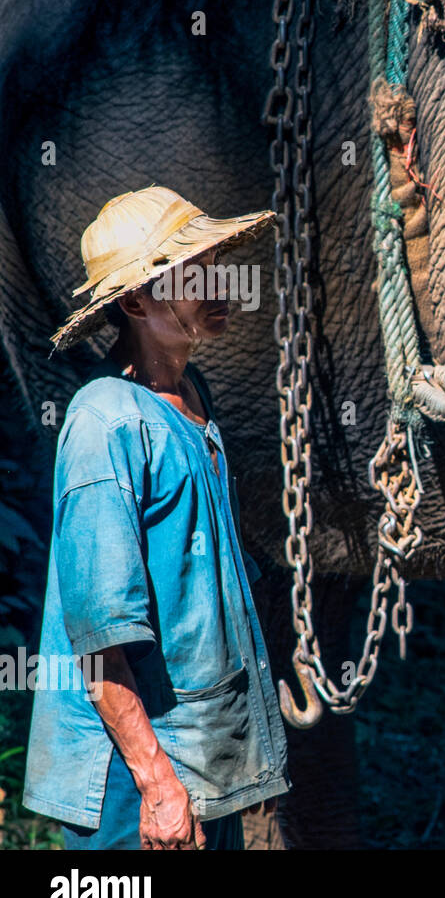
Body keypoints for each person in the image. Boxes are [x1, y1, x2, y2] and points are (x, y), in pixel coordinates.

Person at [23, 185, 289, 849]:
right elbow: (97, 639)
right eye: (195, 272)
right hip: (132, 773)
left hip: (200, 760)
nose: (221, 284)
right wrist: (156, 783)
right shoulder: (103, 420)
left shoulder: (191, 398)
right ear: (137, 301)